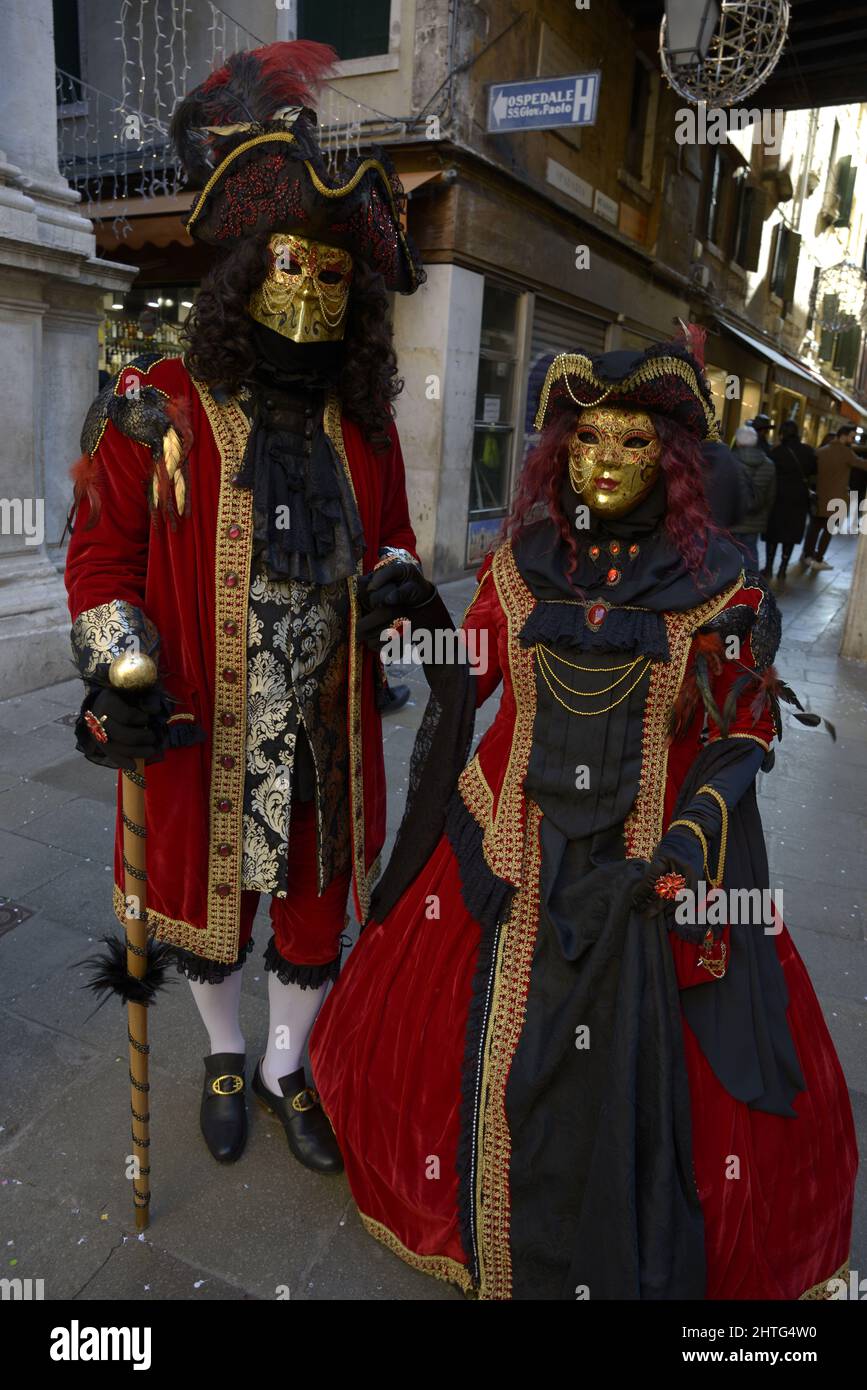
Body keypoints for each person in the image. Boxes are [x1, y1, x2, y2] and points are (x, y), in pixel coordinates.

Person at [309, 331, 857, 1300]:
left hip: (650, 872)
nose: (604, 460)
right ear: (559, 448)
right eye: (587, 437)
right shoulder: (521, 563)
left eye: (632, 441)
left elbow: (743, 733)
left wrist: (692, 839)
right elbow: (467, 677)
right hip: (509, 846)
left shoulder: (722, 584)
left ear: (674, 458)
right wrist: (410, 617)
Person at [64, 41, 429, 1176]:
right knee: (205, 901)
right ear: (243, 270)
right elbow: (98, 560)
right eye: (291, 262)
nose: (312, 290)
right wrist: (118, 671)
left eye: (334, 275)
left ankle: (285, 1062)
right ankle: (225, 1052)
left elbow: (396, 539)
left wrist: (402, 588)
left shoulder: (365, 426)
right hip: (203, 719)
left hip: (325, 719)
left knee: (314, 902)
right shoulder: (162, 408)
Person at [802, 424, 861, 570]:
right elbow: (862, 464)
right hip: (836, 500)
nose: (853, 440)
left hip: (819, 498)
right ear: (844, 435)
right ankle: (818, 558)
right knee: (828, 531)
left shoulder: (820, 451)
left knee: (814, 528)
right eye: (852, 437)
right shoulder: (847, 453)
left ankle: (807, 556)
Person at [764, 420, 815, 581]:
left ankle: (769, 567)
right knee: (790, 534)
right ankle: (783, 569)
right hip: (798, 498)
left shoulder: (776, 451)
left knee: (773, 533)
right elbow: (814, 471)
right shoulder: (807, 451)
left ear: (782, 433)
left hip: (777, 497)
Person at [730, 424, 776, 569]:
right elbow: (771, 496)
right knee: (751, 553)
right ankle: (752, 585)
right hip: (755, 520)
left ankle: (731, 586)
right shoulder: (769, 464)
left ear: (737, 441)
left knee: (731, 554)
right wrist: (763, 516)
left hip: (732, 519)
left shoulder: (729, 460)